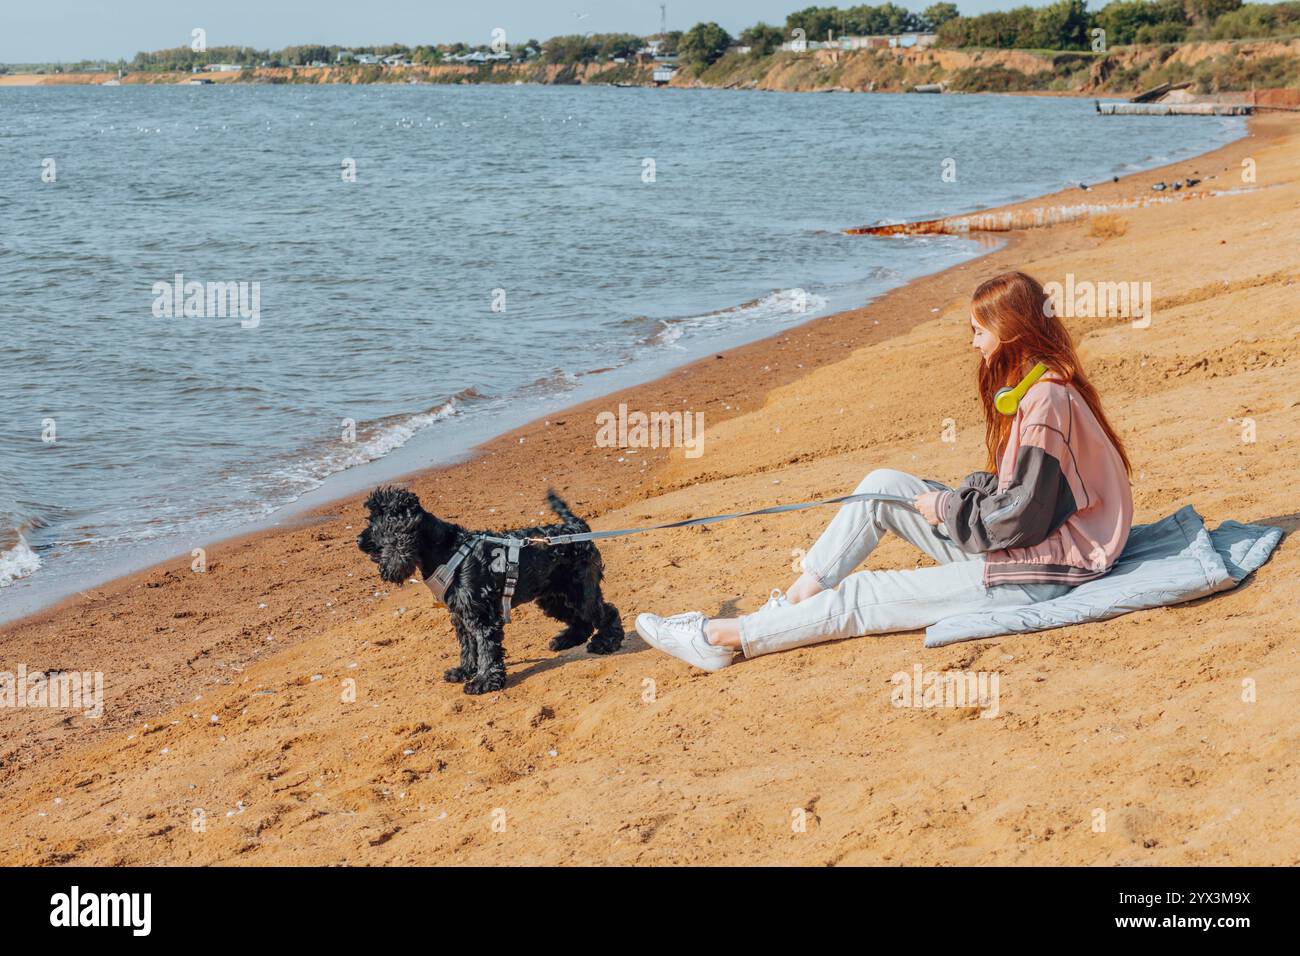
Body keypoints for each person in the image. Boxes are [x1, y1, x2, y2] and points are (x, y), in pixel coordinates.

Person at [635, 271, 1134, 671]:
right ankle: (785, 609)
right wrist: (959, 498)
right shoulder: (1039, 389)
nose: (974, 344)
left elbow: (1018, 518)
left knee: (862, 595)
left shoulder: (1047, 400)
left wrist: (943, 505)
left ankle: (719, 638)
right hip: (1029, 546)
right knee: (881, 488)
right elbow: (1019, 495)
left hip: (1045, 570)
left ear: (1011, 332)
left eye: (979, 332)